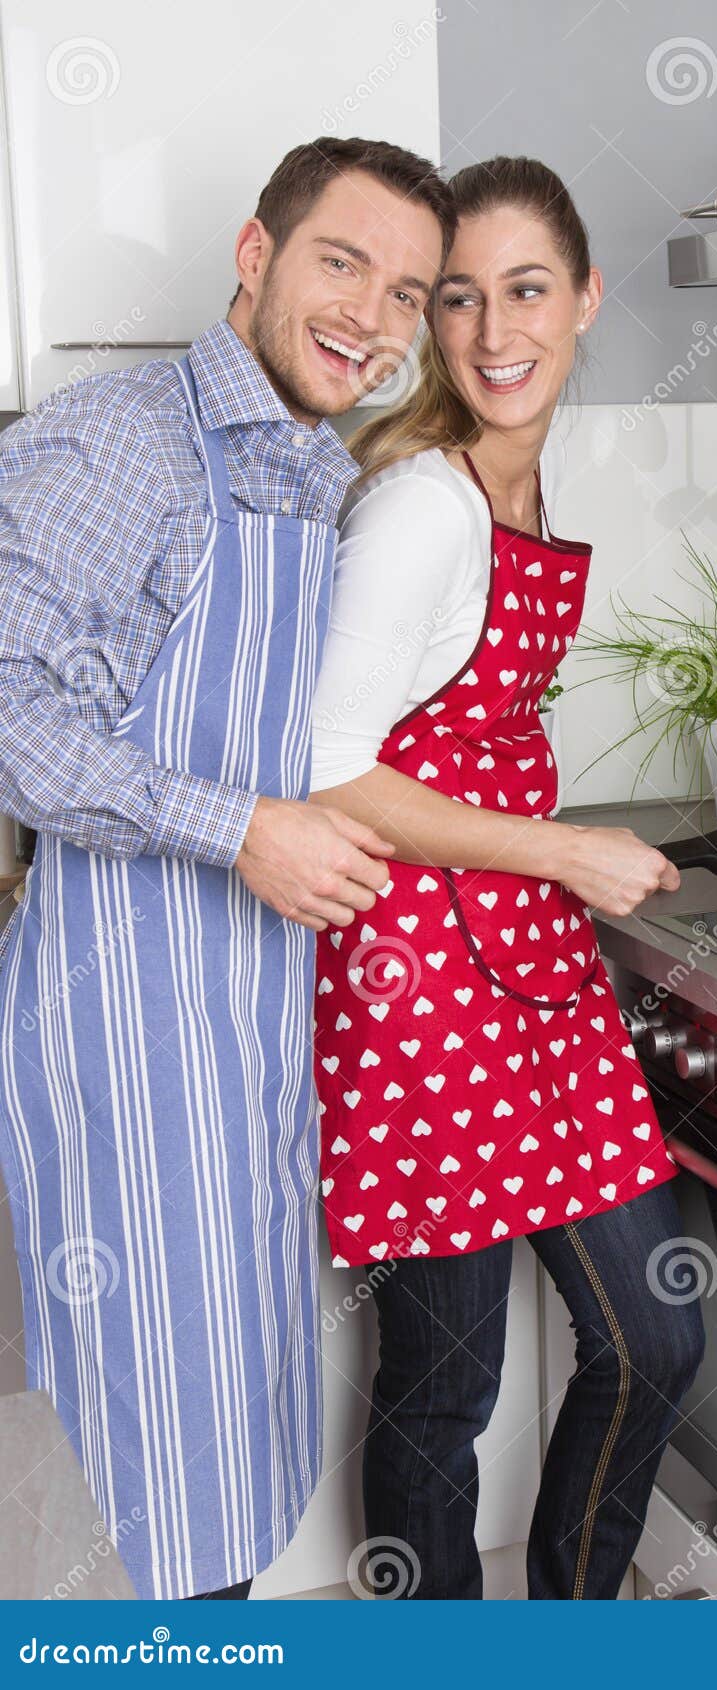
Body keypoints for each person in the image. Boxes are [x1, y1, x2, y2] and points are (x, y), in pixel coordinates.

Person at [0, 137, 455, 1600]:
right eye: (342, 263)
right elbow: (12, 716)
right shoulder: (120, 440)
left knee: (230, 1450)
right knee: (145, 1485)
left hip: (244, 1032)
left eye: (406, 293)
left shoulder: (307, 470)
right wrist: (241, 829)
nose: (371, 317)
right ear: (256, 255)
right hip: (125, 1040)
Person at [309, 156, 704, 1600]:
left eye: (525, 290)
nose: (491, 332)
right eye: (459, 299)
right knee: (446, 1384)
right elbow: (327, 767)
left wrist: (553, 861)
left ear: (585, 298)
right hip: (414, 980)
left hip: (527, 956)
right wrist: (565, 849)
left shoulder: (519, 488)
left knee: (653, 1337)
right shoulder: (423, 503)